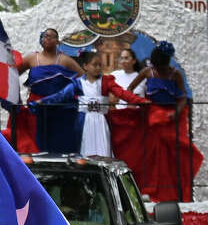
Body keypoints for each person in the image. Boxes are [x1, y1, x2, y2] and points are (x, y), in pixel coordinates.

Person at [130, 41, 204, 201]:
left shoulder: (175, 74)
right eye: (158, 67)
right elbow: (130, 90)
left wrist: (176, 112)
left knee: (176, 155)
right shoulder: (147, 72)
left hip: (171, 119)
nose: (160, 70)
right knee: (153, 155)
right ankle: (151, 190)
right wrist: (139, 102)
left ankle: (174, 191)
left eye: (162, 67)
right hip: (152, 117)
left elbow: (183, 97)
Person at [17, 29, 84, 154]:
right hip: (36, 108)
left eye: (52, 37)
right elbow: (13, 74)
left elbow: (83, 79)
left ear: (58, 41)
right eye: (46, 36)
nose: (48, 38)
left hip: (59, 110)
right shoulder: (31, 58)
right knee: (35, 144)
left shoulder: (65, 60)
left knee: (59, 145)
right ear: (41, 39)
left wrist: (68, 93)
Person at [74, 50, 145, 158]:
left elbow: (122, 93)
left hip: (101, 122)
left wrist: (140, 101)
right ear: (85, 66)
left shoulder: (106, 81)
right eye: (94, 65)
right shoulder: (77, 83)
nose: (98, 68)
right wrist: (43, 102)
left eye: (100, 65)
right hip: (83, 123)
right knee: (84, 154)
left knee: (104, 153)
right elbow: (61, 95)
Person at [107, 47, 146, 168]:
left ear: (134, 60)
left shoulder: (141, 77)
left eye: (126, 58)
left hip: (135, 122)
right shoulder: (114, 75)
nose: (123, 60)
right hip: (117, 121)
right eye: (121, 58)